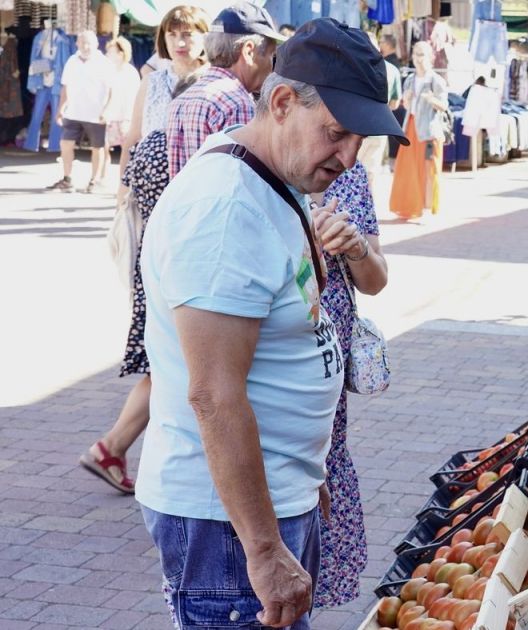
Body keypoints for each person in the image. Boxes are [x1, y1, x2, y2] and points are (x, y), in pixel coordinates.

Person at [137, 18, 404, 629]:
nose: (349, 157)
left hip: (269, 501)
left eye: (360, 141)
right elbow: (213, 394)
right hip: (225, 527)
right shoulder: (225, 208)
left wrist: (300, 474)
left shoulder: (272, 175)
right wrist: (262, 545)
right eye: (337, 134)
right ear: (281, 102)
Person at [78, 7, 213, 496]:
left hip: (185, 226)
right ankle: (118, 448)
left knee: (174, 353)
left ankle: (115, 447)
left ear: (204, 39)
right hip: (156, 231)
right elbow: (133, 141)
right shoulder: (152, 78)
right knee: (174, 350)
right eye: (173, 34)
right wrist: (121, 204)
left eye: (189, 34)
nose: (181, 42)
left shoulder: (211, 83)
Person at [311, 161, 388, 608]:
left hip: (331, 364)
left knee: (325, 461)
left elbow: (376, 282)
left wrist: (356, 247)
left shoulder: (351, 174)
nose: (348, 149)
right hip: (276, 364)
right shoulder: (258, 170)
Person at [166, 1, 283, 177]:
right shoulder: (236, 102)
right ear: (249, 51)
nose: (271, 65)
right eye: (271, 55)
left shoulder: (182, 99)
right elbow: (245, 180)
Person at [46, 31, 112, 194]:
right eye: (82, 42)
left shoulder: (103, 63)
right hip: (73, 112)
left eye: (89, 43)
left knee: (98, 147)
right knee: (65, 144)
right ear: (77, 44)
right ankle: (67, 179)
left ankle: (94, 180)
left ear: (96, 44)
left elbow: (112, 89)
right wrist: (61, 109)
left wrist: (107, 109)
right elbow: (65, 87)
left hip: (96, 113)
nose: (85, 46)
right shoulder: (72, 61)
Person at [389, 41, 444, 222]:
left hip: (428, 131)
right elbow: (405, 104)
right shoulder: (411, 80)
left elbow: (444, 105)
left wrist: (431, 99)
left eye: (421, 55)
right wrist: (406, 98)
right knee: (407, 170)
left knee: (428, 170)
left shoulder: (436, 80)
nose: (418, 59)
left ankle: (427, 209)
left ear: (430, 57)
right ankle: (409, 206)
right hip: (410, 127)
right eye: (415, 55)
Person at [357, 31, 401, 186]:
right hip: (379, 128)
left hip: (355, 126)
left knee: (350, 171)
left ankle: (351, 207)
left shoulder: (354, 67)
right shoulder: (393, 70)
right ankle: (369, 207)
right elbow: (395, 104)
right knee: (371, 172)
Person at [101, 36, 140, 178]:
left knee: (127, 151)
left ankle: (125, 181)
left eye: (111, 52)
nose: (108, 55)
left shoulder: (131, 72)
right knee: (103, 148)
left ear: (121, 53)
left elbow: (134, 97)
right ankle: (101, 177)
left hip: (125, 117)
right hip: (109, 116)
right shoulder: (107, 71)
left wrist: (130, 118)